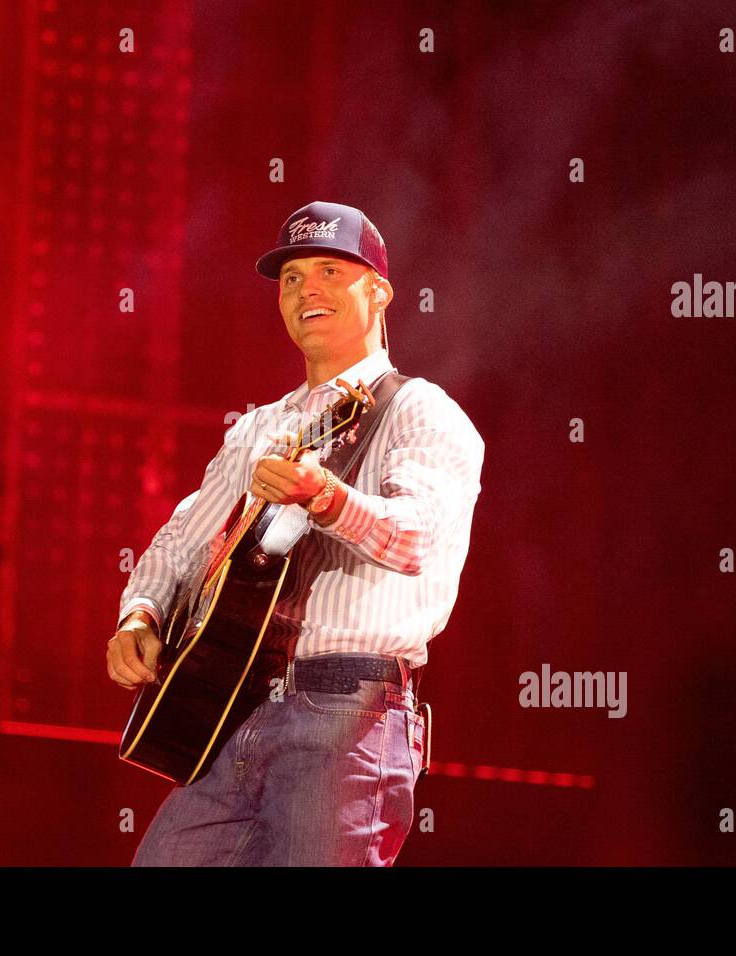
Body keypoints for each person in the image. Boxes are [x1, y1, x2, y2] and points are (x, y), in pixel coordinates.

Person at [106, 201, 485, 866]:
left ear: (379, 292)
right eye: (292, 277)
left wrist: (326, 496)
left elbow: (416, 539)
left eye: (332, 271)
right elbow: (180, 541)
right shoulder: (258, 428)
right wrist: (140, 614)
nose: (308, 288)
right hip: (234, 710)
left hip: (349, 711)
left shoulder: (420, 411)